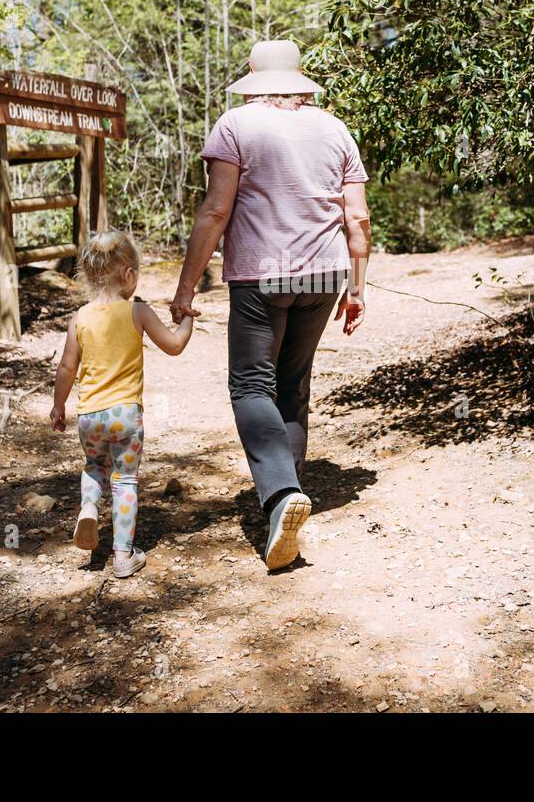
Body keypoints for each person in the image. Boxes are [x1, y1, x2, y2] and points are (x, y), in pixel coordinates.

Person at [171, 39, 371, 572]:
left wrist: (187, 287)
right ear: (300, 79)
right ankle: (290, 493)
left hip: (262, 276)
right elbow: (358, 219)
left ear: (252, 77)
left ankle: (281, 495)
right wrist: (356, 285)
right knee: (294, 382)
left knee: (251, 384)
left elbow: (215, 212)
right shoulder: (335, 128)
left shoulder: (236, 125)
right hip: (326, 274)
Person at [51, 230, 194, 578]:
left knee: (93, 468)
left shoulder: (79, 318)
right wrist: (188, 317)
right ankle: (123, 555)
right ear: (128, 275)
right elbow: (174, 345)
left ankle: (88, 507)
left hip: (89, 417)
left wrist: (58, 406)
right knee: (125, 480)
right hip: (125, 416)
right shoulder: (138, 311)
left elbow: (67, 367)